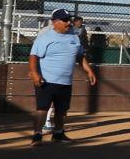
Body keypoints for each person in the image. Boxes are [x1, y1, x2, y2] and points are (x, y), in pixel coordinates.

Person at [28, 8, 97, 144]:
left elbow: (80, 56)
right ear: (54, 22)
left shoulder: (74, 37)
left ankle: (58, 134)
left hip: (66, 81)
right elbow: (33, 56)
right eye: (65, 20)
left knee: (61, 110)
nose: (68, 23)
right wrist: (35, 73)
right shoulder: (45, 37)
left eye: (69, 20)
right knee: (42, 108)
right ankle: (37, 135)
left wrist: (89, 71)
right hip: (46, 80)